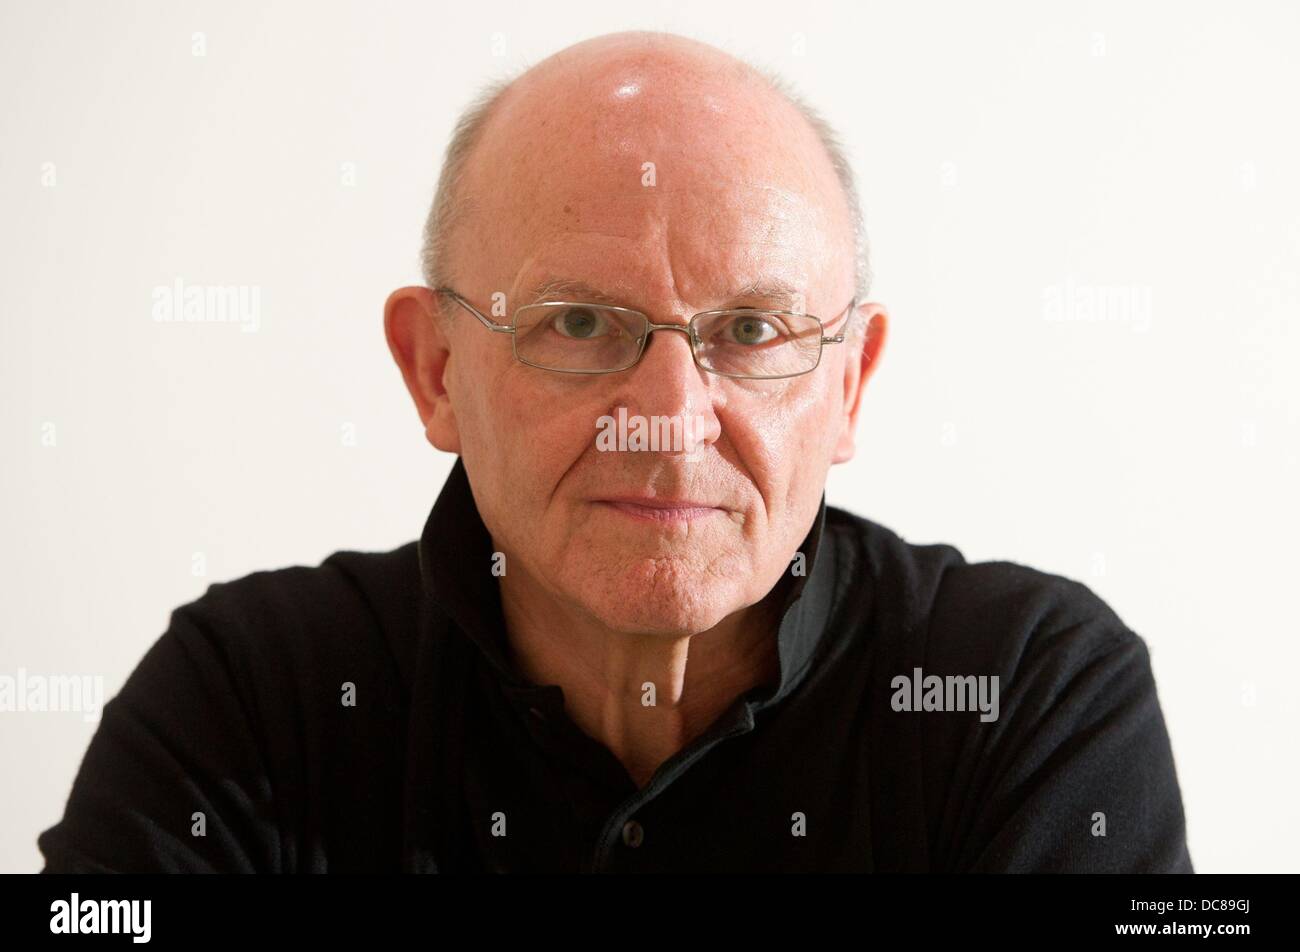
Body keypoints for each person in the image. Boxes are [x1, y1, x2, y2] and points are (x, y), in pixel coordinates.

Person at [38, 30, 1192, 872]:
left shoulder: (1027, 695)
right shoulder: (251, 701)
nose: (670, 419)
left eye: (752, 332)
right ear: (434, 368)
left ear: (849, 386)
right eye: (581, 325)